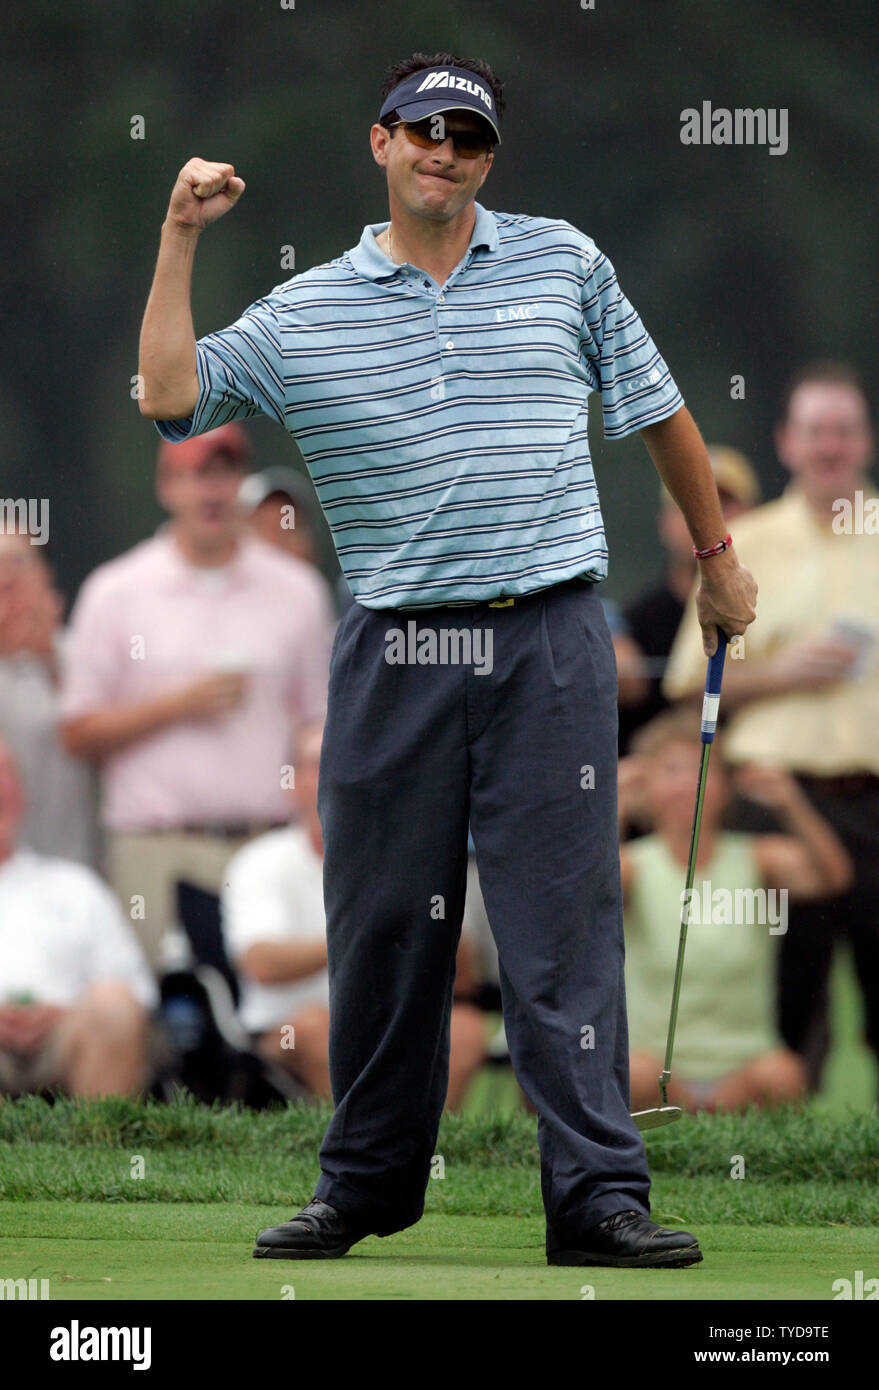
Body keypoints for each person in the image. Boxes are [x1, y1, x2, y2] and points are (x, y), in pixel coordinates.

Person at [137, 50, 757, 1269]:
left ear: (488, 157)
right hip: (397, 643)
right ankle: (366, 1184)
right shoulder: (307, 310)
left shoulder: (566, 260)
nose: (444, 152)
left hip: (550, 637)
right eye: (423, 130)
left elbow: (660, 410)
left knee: (559, 929)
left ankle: (595, 1199)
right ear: (381, 142)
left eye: (467, 138)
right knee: (381, 924)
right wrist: (177, 232)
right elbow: (168, 394)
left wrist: (719, 558)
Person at [663, 363, 879, 1092]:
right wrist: (784, 675)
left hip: (873, 796)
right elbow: (690, 689)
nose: (830, 445)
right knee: (786, 989)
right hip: (773, 795)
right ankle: (770, 1150)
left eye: (843, 430)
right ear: (787, 442)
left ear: (864, 441)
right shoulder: (739, 541)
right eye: (816, 430)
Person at [59, 424, 335, 971]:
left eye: (225, 474)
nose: (212, 493)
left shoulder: (297, 591)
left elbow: (322, 724)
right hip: (157, 847)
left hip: (269, 841)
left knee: (281, 1013)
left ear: (241, 483)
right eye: (196, 476)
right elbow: (77, 731)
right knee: (168, 1017)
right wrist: (175, 706)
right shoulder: (115, 591)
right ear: (167, 486)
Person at [221, 719, 487, 1107]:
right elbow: (260, 963)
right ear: (292, 783)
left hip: (393, 1019)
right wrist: (366, 935)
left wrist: (435, 921)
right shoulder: (260, 862)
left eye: (348, 763)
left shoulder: (408, 856)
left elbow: (463, 980)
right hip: (288, 1026)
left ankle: (433, 1150)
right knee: (319, 1028)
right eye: (318, 764)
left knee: (463, 1028)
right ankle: (365, 1146)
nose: (336, 776)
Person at [618, 709, 851, 1112]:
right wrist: (614, 805)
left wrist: (789, 801)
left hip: (744, 1069)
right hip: (655, 1070)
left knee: (784, 1075)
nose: (686, 785)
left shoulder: (757, 858)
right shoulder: (632, 866)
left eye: (700, 770)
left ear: (725, 785)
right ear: (646, 785)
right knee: (629, 1072)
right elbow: (580, 894)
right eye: (670, 771)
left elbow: (830, 877)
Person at [0, 740, 157, 1098]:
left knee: (113, 1006)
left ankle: (100, 1145)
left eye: (5, 774)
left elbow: (135, 988)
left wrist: (61, 1011)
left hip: (63, 1039)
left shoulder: (75, 885)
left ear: (21, 796)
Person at [615, 446, 760, 757]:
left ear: (755, 518)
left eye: (723, 503)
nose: (704, 518)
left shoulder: (777, 612)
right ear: (664, 522)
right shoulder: (634, 621)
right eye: (687, 503)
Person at [0, 532, 100, 866]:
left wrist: (49, 662)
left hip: (81, 864)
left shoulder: (81, 654)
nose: (6, 576)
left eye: (18, 562)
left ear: (45, 576)